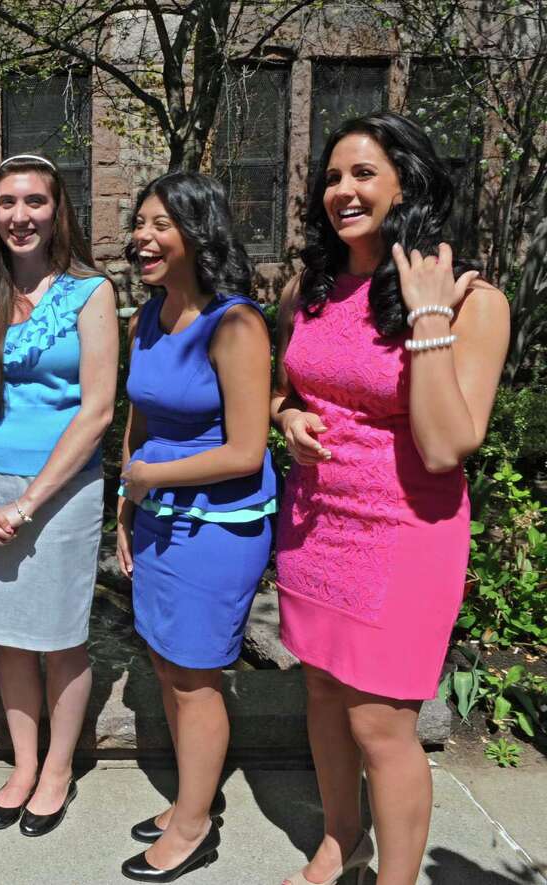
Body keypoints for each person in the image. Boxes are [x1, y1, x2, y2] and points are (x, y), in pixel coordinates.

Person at [272, 112, 509, 885]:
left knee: (382, 722)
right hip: (316, 522)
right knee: (318, 689)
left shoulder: (473, 300)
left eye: (364, 173)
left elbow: (446, 445)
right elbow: (285, 385)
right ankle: (345, 838)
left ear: (408, 182)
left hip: (405, 531)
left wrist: (428, 313)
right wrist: (287, 415)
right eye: (333, 176)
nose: (343, 189)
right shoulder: (308, 285)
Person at [0, 154, 118, 838]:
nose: (21, 215)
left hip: (63, 491)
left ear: (57, 210)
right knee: (10, 639)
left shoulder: (91, 294)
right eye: (8, 202)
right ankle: (23, 762)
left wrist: (26, 504)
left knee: (61, 636)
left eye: (35, 201)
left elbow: (98, 410)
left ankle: (58, 767)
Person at [115, 173, 276, 882]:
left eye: (159, 225)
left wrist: (150, 478)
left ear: (196, 232)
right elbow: (138, 417)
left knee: (196, 676)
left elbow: (247, 448)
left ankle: (192, 825)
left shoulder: (236, 323)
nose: (141, 238)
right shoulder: (144, 317)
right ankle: (191, 796)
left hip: (217, 526)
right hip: (153, 520)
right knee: (163, 660)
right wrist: (125, 499)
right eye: (139, 224)